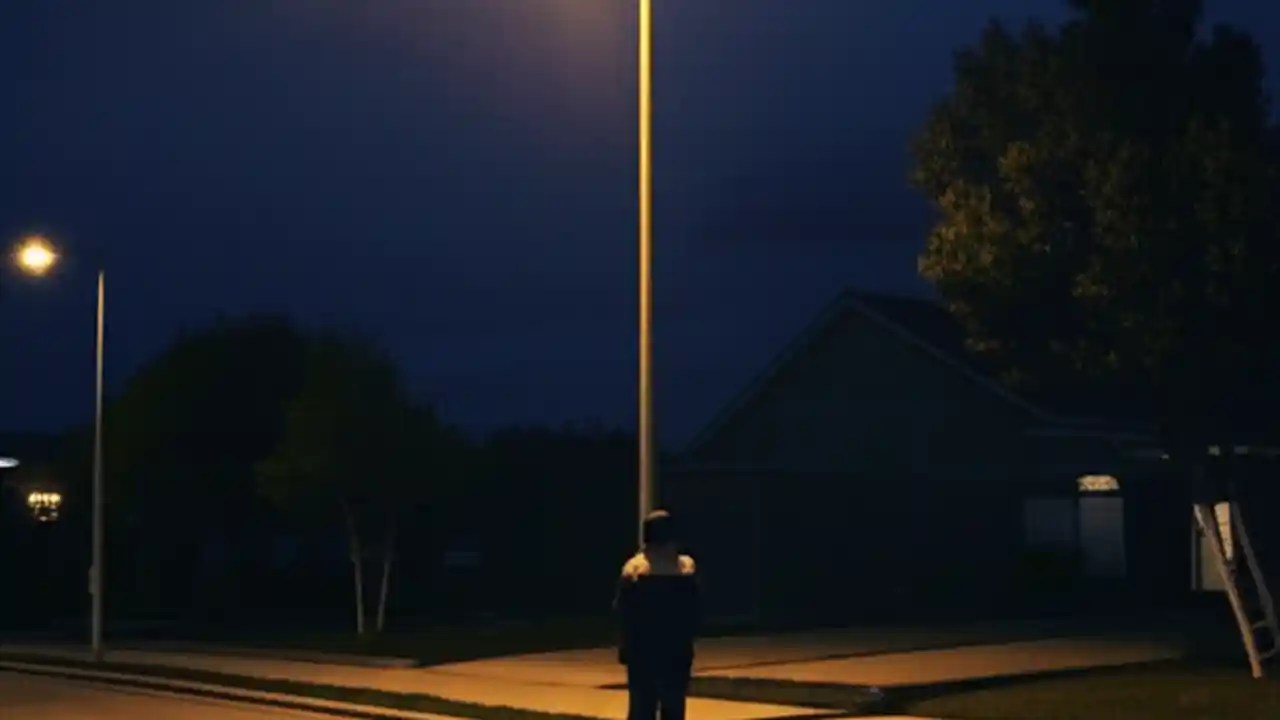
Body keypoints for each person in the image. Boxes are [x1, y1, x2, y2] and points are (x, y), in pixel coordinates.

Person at [614, 509, 700, 720]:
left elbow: (623, 612)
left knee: (642, 706)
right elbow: (695, 609)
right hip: (676, 649)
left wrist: (624, 645)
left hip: (642, 650)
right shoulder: (686, 568)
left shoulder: (634, 569)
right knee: (674, 706)